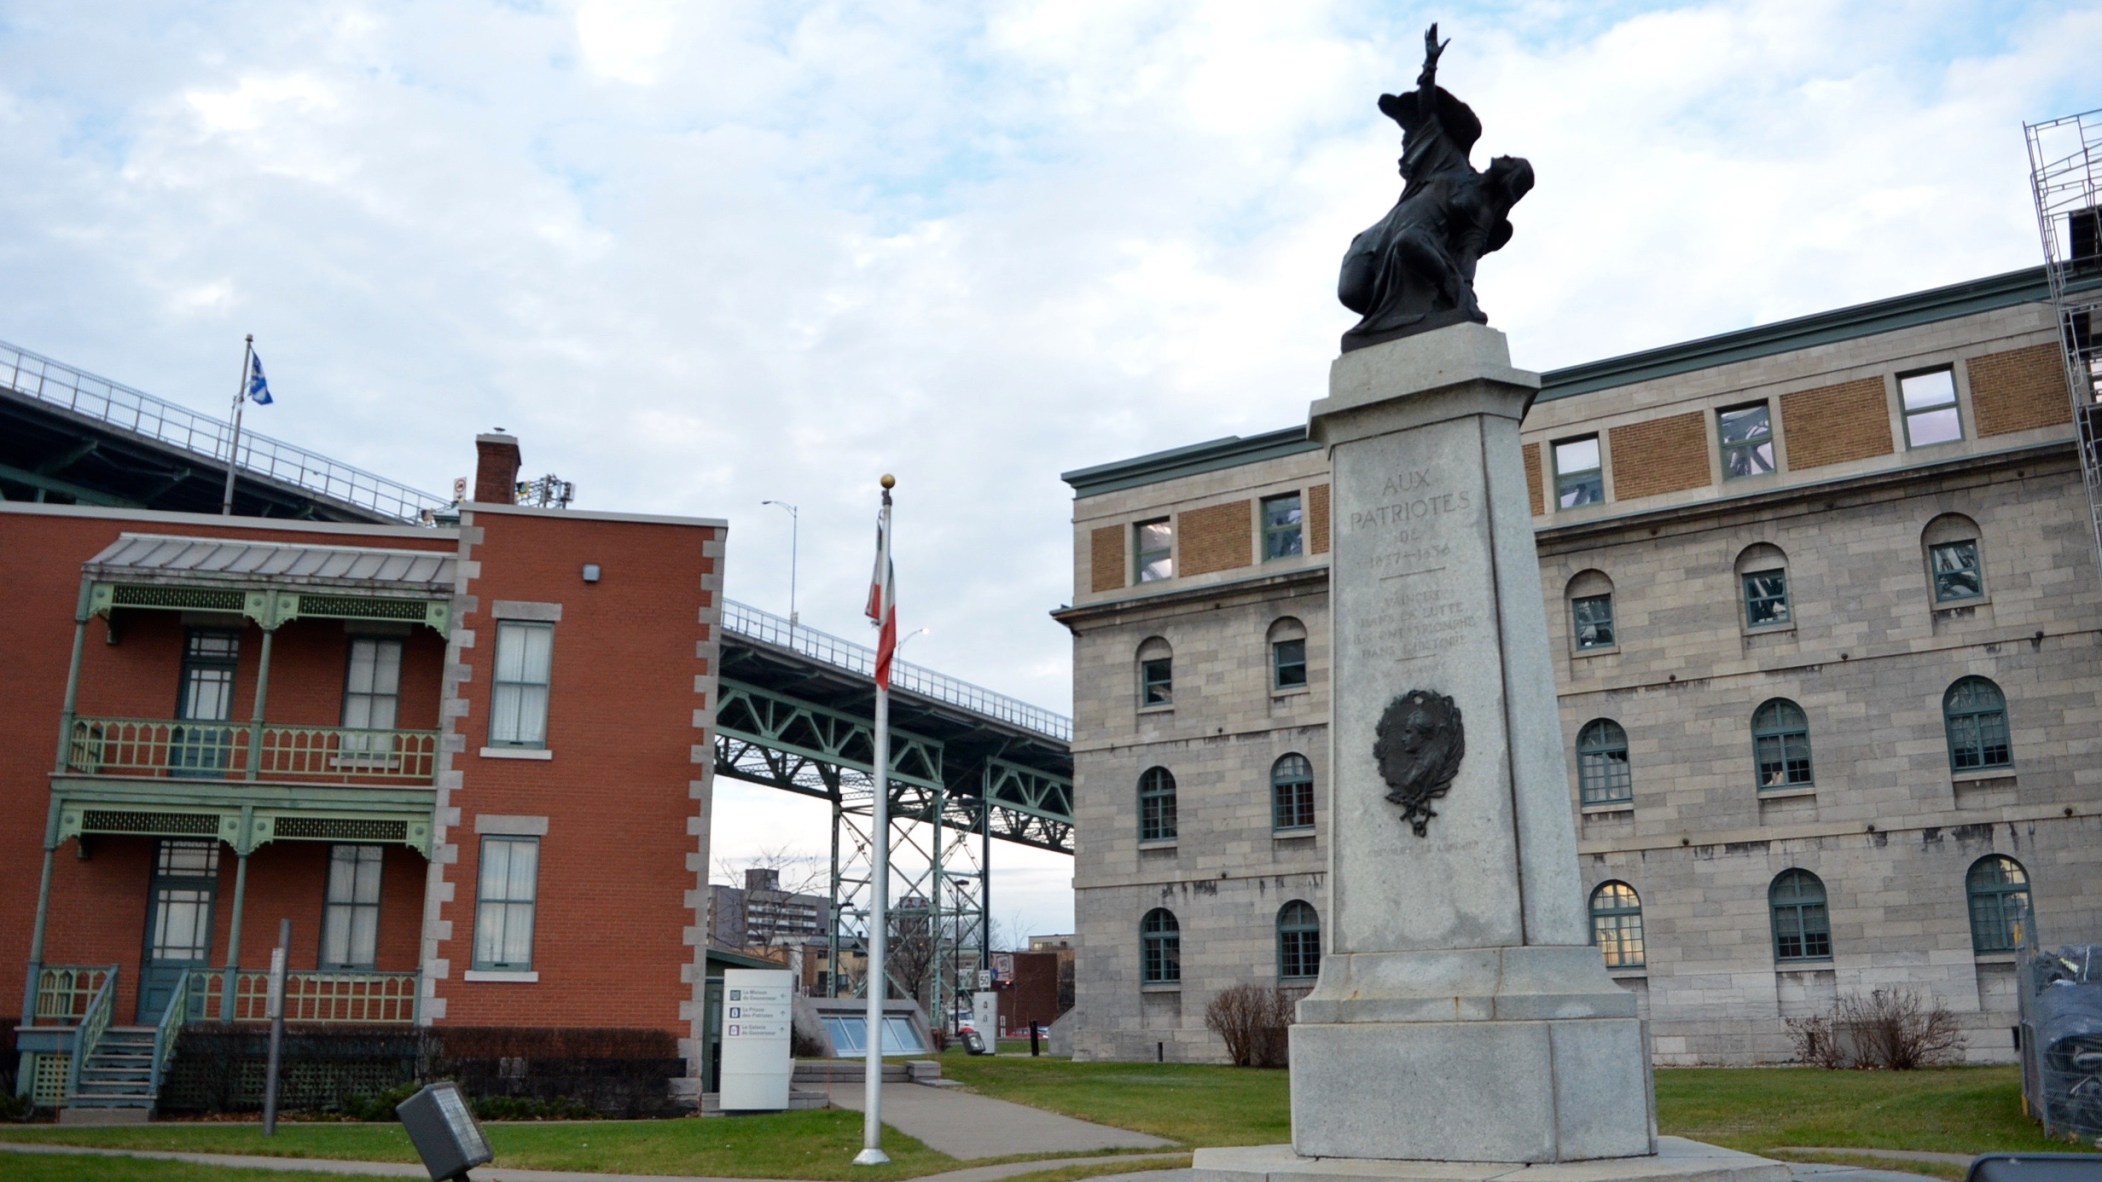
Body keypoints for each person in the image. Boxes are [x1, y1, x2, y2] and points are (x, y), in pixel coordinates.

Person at [1338, 25, 1533, 352]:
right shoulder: (1453, 162)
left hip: (1416, 244)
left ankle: (1432, 301)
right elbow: (1429, 115)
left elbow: (1468, 254)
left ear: (1511, 177)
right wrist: (1429, 69)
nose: (1503, 155)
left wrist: (1462, 291)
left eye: (1511, 160)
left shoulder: (1483, 210)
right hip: (1383, 234)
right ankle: (1400, 318)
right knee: (1351, 290)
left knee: (1410, 241)